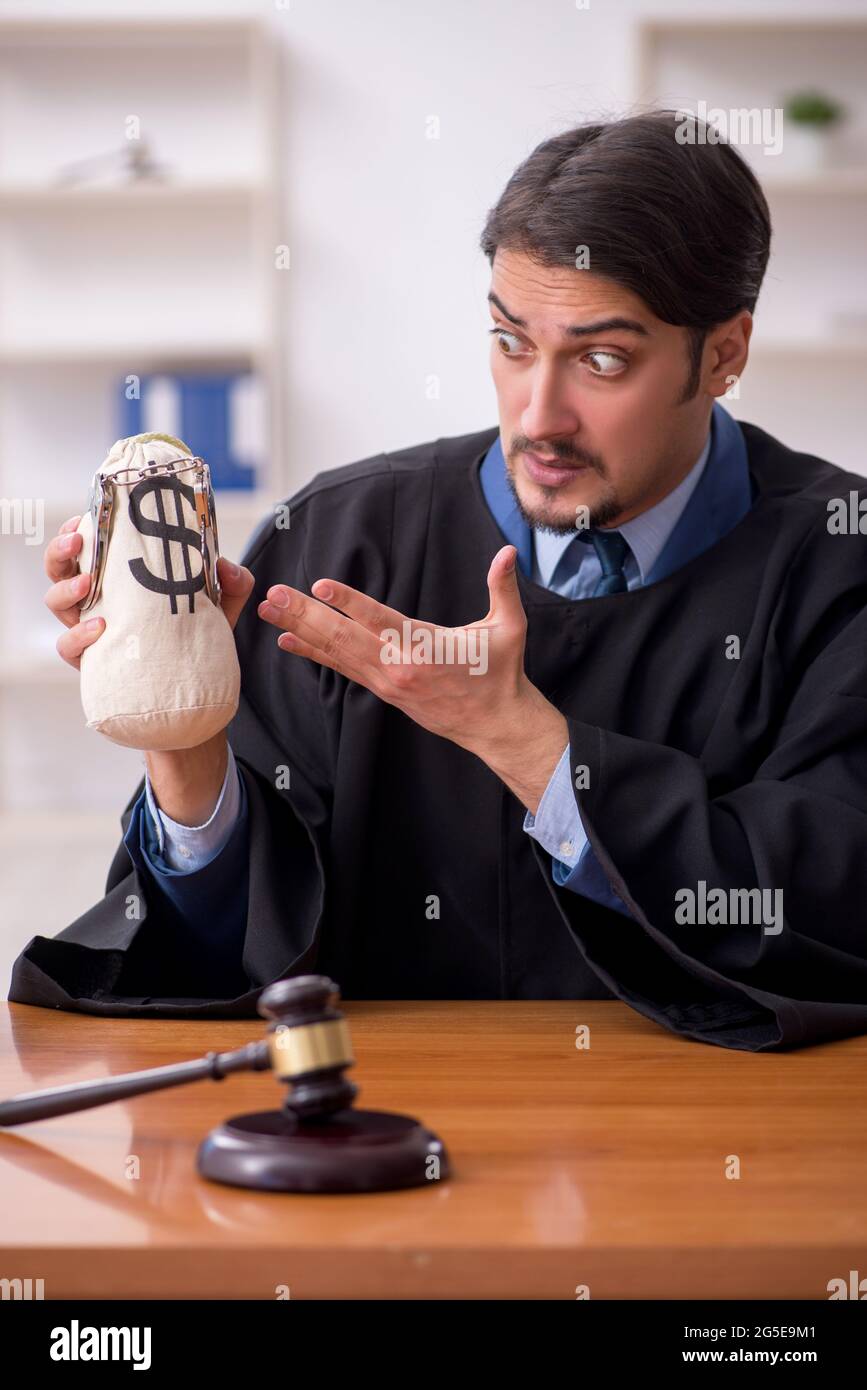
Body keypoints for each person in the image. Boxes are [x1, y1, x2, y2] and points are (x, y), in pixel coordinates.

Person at [11, 110, 867, 1051]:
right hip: (385, 1141)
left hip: (718, 1156)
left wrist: (521, 739)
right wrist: (183, 732)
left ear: (722, 356)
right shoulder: (340, 539)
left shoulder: (839, 565)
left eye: (601, 360)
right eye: (509, 343)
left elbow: (828, 916)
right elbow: (212, 953)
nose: (539, 415)